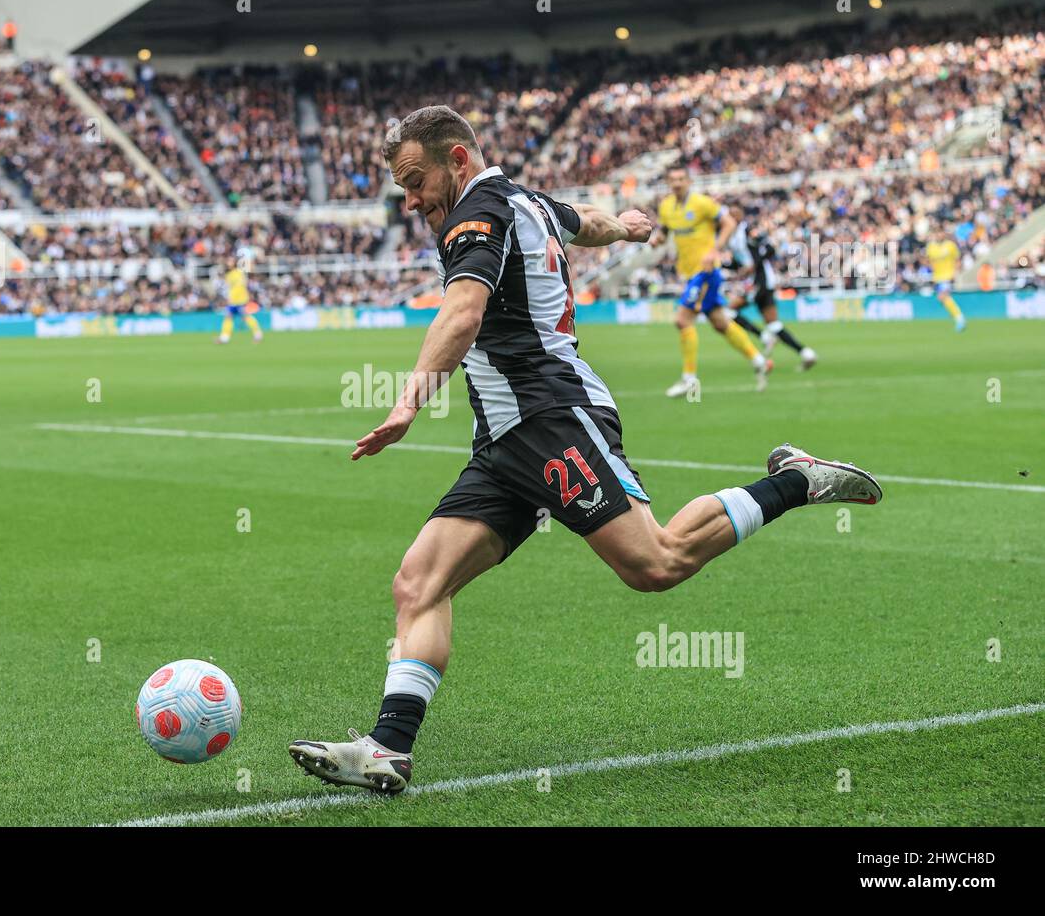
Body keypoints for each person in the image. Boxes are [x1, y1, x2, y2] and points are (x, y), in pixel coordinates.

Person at [288, 106, 883, 794]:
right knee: (419, 583)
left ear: (457, 160)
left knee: (655, 564)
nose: (411, 200)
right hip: (505, 441)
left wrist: (407, 402)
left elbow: (462, 313)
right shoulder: (527, 201)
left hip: (549, 417)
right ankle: (389, 750)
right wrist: (624, 227)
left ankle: (795, 482)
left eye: (416, 181)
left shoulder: (476, 215)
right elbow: (587, 221)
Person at [653, 166, 771, 396]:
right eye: (673, 179)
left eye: (681, 179)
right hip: (688, 272)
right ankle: (758, 360)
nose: (677, 183)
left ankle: (689, 379)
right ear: (668, 182)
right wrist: (656, 240)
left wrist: (714, 250)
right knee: (719, 321)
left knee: (683, 320)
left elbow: (729, 223)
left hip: (706, 271)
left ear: (688, 181)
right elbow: (665, 232)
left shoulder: (702, 203)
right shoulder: (666, 206)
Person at [726, 211, 817, 371]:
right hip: (758, 282)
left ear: (739, 216)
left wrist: (753, 265)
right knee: (774, 325)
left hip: (760, 281)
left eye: (734, 215)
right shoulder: (731, 237)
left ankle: (764, 337)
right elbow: (739, 263)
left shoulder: (748, 231)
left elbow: (769, 249)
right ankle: (806, 353)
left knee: (729, 312)